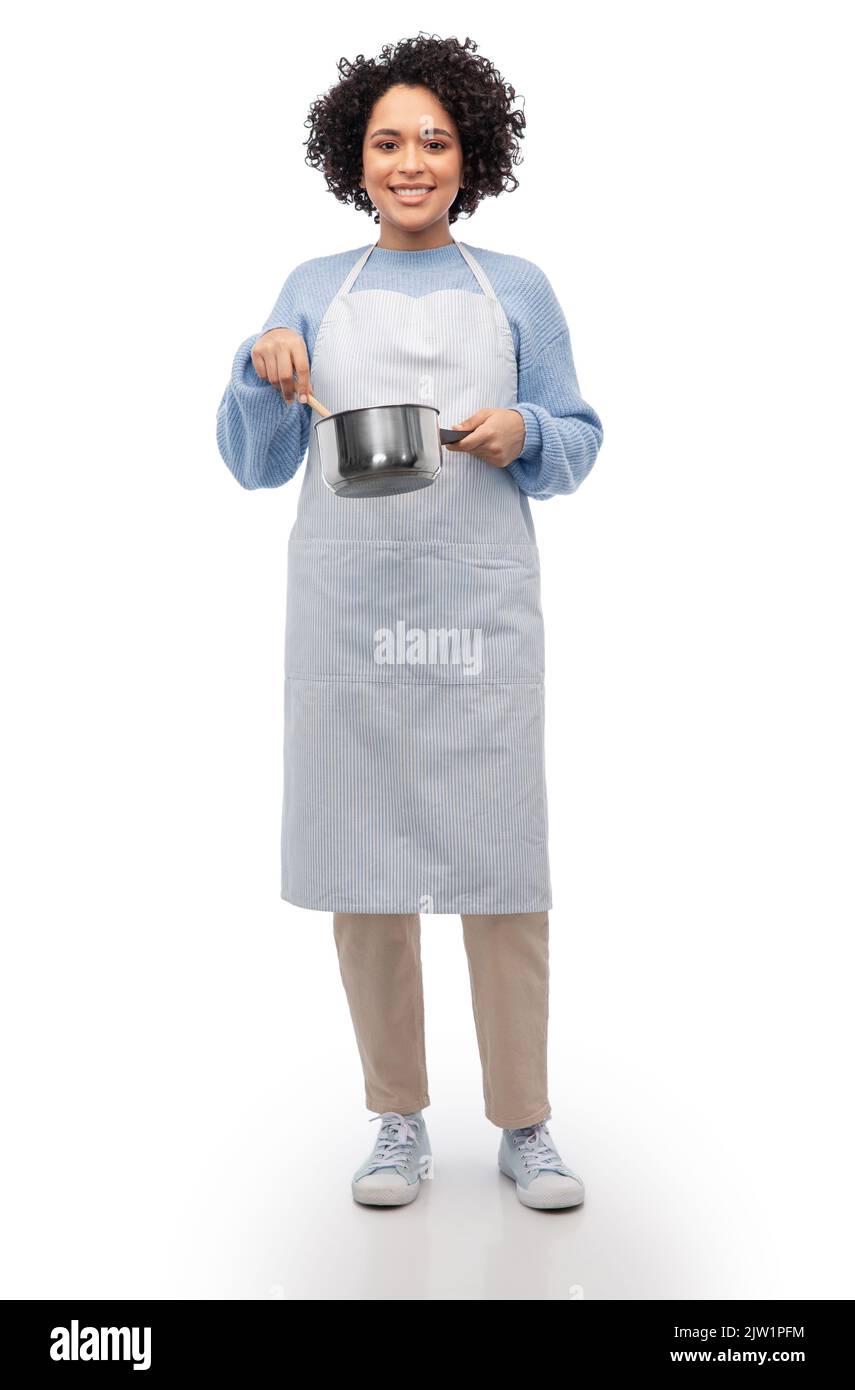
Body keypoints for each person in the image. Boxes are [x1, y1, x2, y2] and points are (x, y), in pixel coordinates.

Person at [216, 34, 603, 1209]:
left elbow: (579, 438)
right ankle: (397, 1120)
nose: (411, 160)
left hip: (476, 621)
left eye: (434, 140)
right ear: (354, 157)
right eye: (388, 141)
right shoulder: (309, 289)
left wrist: (525, 432)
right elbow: (254, 461)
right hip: (350, 625)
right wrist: (255, 366)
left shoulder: (519, 287)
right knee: (364, 871)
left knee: (502, 875)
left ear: (470, 152)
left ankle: (525, 1122)